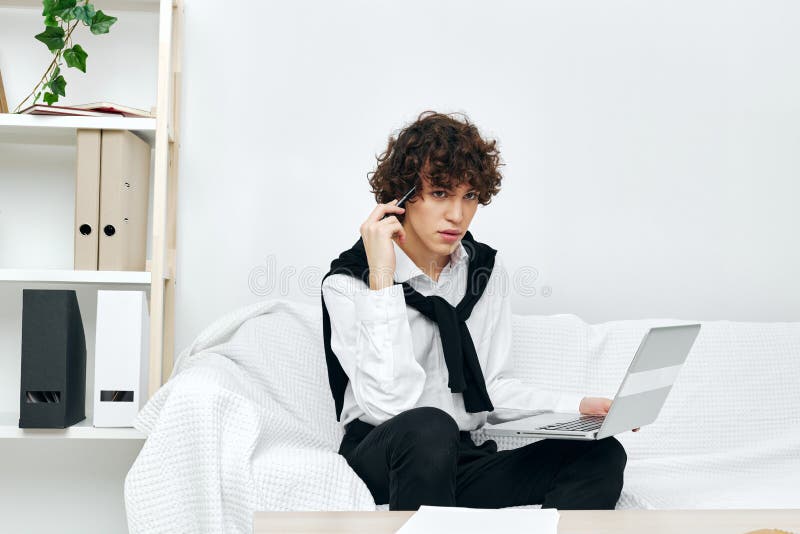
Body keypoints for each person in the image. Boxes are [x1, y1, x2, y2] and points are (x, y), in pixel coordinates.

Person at [320, 110, 635, 511]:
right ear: (401, 199)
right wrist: (383, 280)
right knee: (429, 426)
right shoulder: (350, 282)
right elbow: (391, 406)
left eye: (469, 196)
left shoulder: (482, 271)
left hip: (460, 457)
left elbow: (489, 390)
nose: (457, 215)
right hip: (384, 456)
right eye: (440, 194)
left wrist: (576, 407)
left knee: (601, 453)